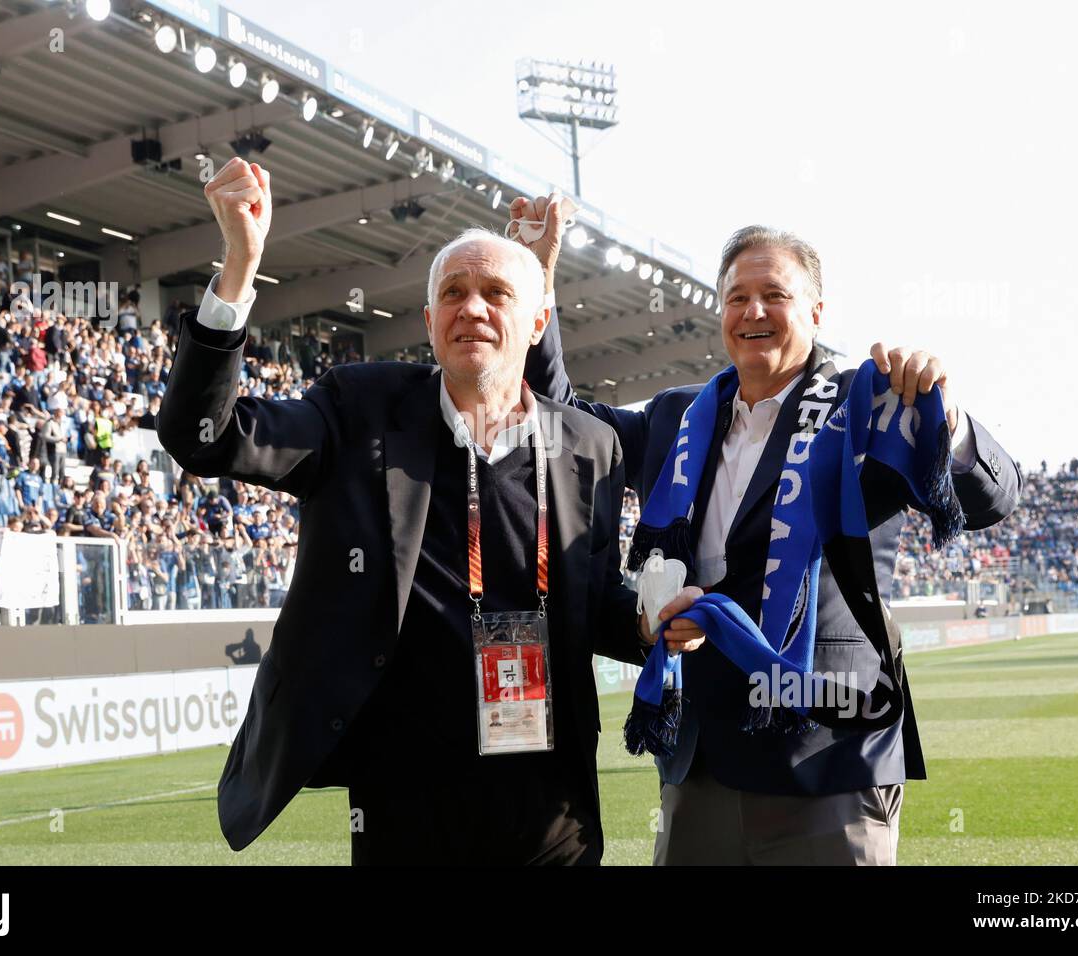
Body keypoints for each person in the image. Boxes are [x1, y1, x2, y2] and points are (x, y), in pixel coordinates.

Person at [157, 158, 703, 863]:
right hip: (403, 803)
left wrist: (647, 624)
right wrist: (239, 267)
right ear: (429, 320)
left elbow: (590, 602)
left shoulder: (588, 446)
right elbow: (206, 439)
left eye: (496, 293)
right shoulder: (360, 408)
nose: (472, 308)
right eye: (453, 293)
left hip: (551, 809)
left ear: (537, 320)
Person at [518, 197, 1022, 865]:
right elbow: (560, 422)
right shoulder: (674, 418)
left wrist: (946, 423)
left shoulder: (866, 406)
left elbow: (993, 500)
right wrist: (535, 285)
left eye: (775, 295)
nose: (753, 311)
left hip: (829, 760)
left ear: (817, 311)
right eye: (737, 297)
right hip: (699, 764)